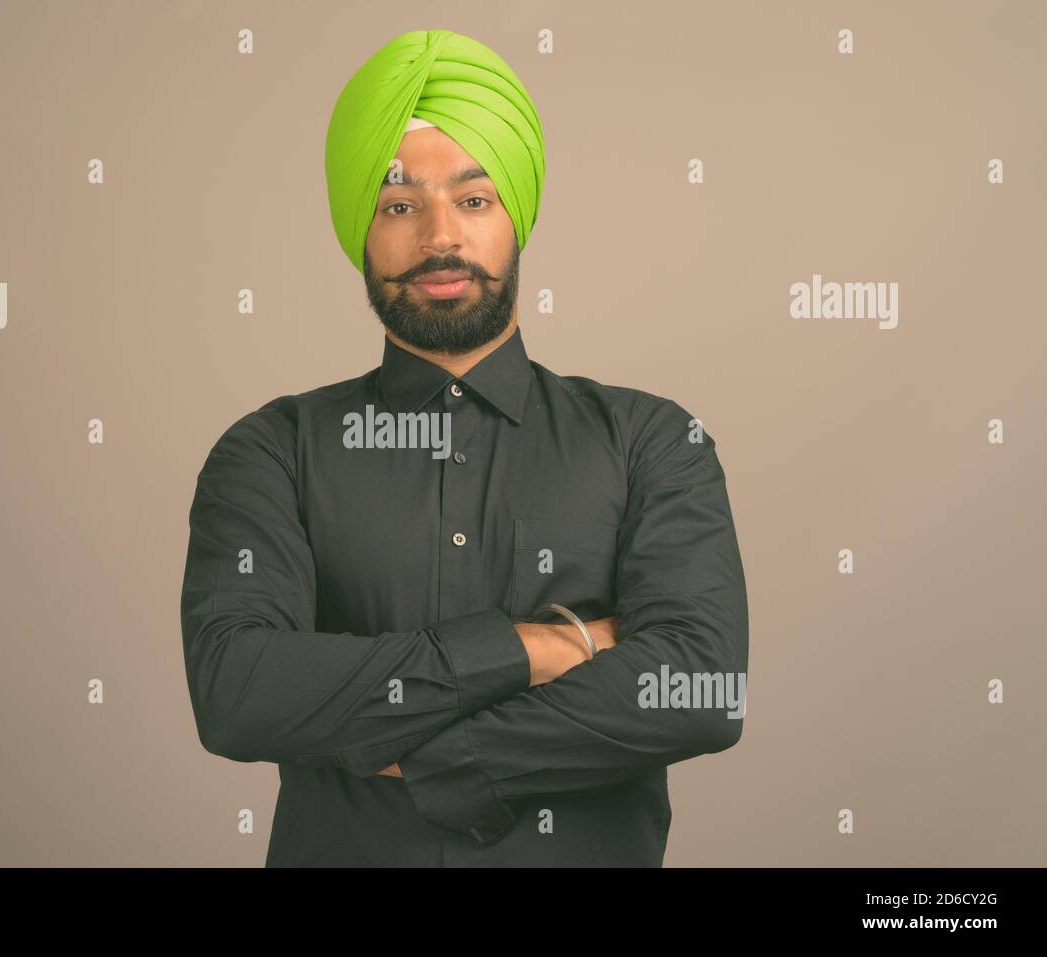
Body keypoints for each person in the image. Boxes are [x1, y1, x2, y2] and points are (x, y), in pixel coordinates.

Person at [181, 28, 749, 867]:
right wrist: (550, 646)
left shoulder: (652, 440)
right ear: (360, 230)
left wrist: (437, 758)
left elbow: (699, 688)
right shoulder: (271, 452)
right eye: (400, 204)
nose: (439, 238)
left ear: (517, 213)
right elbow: (238, 691)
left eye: (473, 200)